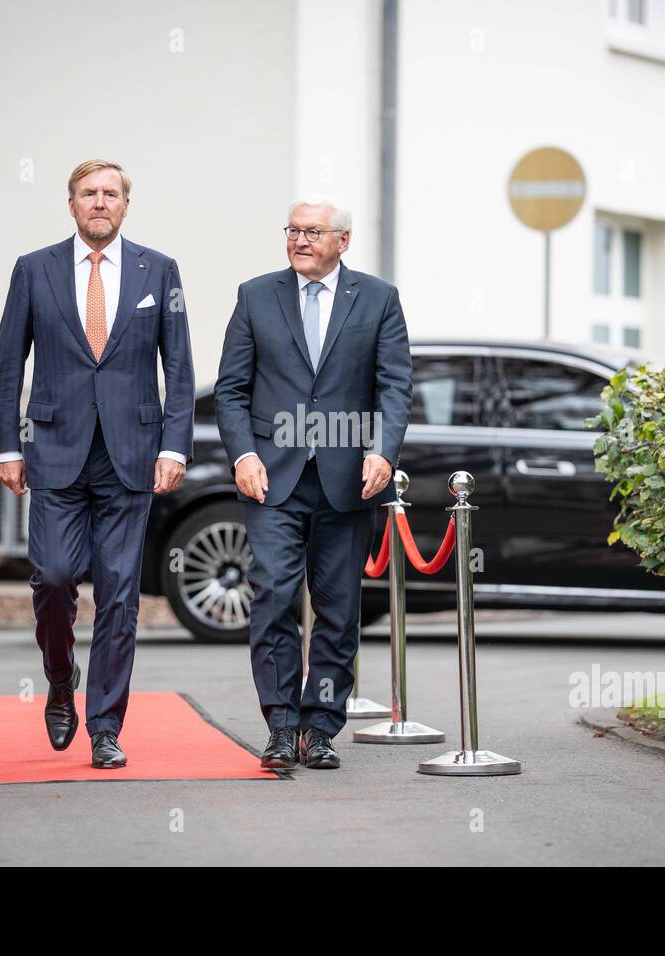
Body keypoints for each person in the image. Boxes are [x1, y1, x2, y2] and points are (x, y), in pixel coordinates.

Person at [0, 160, 194, 769]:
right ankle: (60, 679)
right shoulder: (35, 269)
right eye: (88, 194)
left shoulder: (159, 270)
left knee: (119, 593)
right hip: (55, 451)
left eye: (111, 193)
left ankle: (105, 725)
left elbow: (179, 368)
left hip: (131, 455)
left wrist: (174, 445)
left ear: (126, 205)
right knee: (53, 578)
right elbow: (8, 365)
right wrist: (6, 445)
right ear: (71, 204)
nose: (99, 202)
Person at [215, 195, 412, 770]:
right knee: (274, 592)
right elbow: (231, 389)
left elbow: (393, 388)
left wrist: (382, 451)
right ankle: (280, 726)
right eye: (292, 231)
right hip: (270, 478)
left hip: (346, 478)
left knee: (338, 606)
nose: (299, 240)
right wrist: (243, 455)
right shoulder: (256, 295)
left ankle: (320, 727)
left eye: (313, 232)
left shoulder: (378, 299)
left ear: (342, 241)